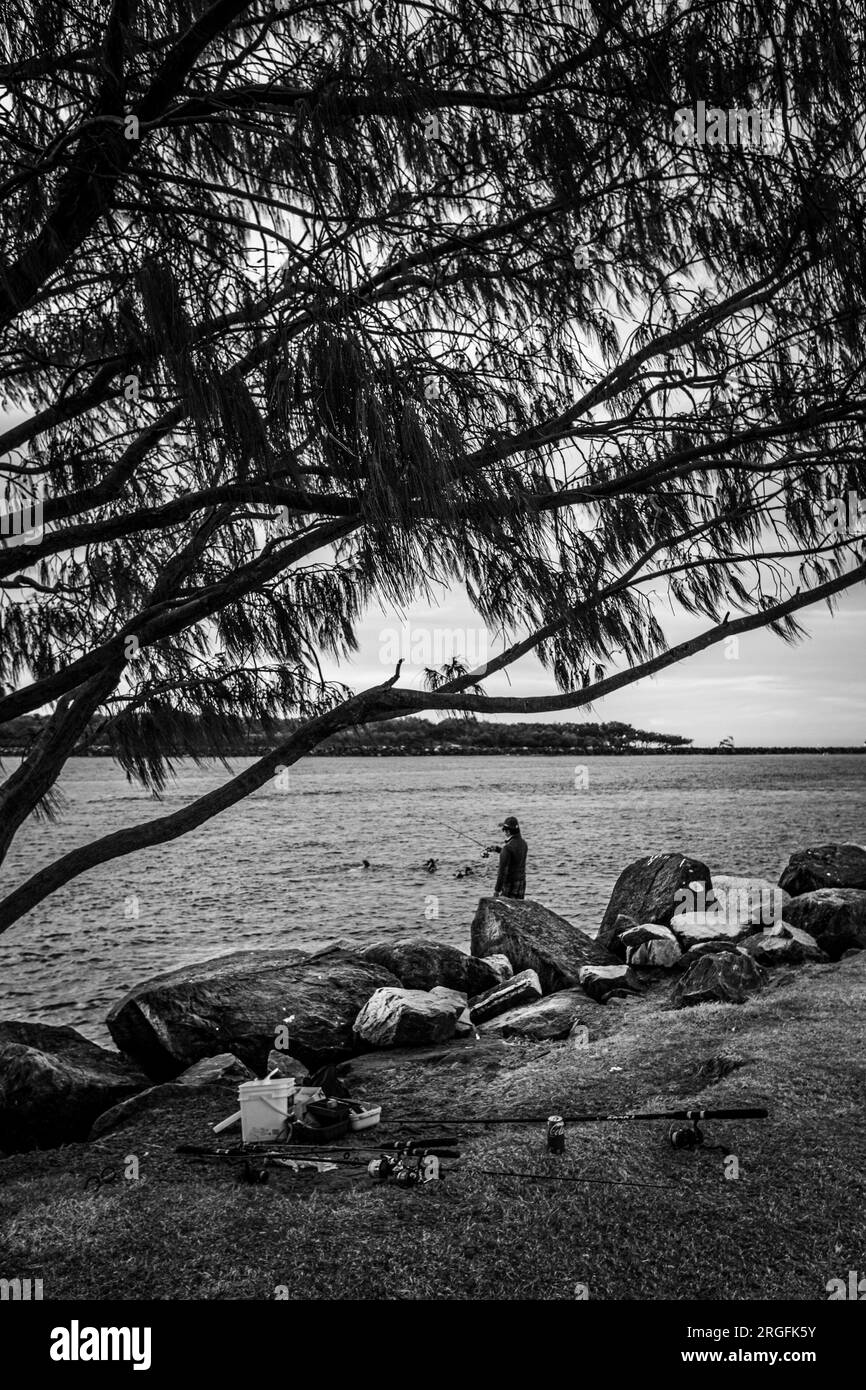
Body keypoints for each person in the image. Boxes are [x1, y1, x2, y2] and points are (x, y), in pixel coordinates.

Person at [493, 815, 527, 899]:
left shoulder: (507, 848)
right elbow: (515, 856)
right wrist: (498, 849)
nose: (504, 832)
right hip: (521, 882)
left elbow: (502, 872)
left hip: (510, 884)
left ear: (508, 831)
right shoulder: (523, 843)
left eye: (503, 830)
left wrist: (497, 890)